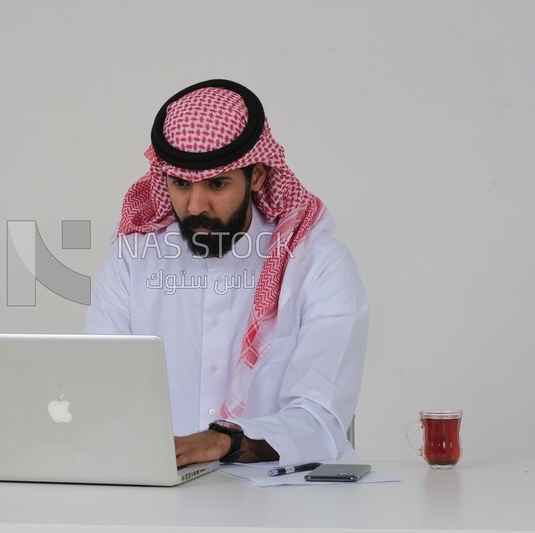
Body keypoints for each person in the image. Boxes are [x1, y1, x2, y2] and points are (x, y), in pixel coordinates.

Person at [84, 79, 368, 467]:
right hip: (160, 499)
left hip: (284, 507)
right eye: (180, 184)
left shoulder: (319, 266)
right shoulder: (132, 260)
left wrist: (223, 443)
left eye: (217, 184)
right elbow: (100, 390)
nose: (195, 205)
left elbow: (321, 421)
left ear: (258, 176)